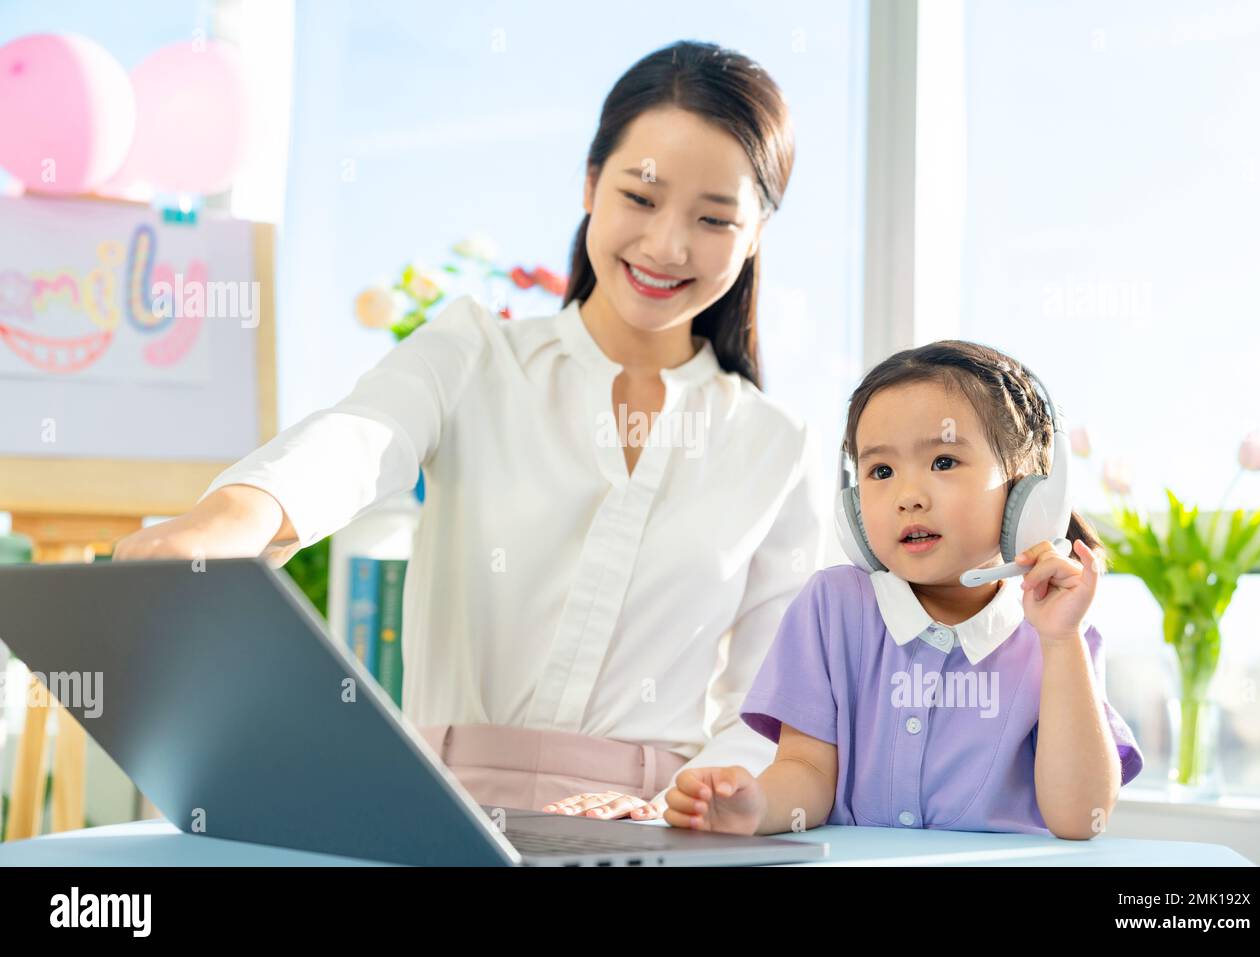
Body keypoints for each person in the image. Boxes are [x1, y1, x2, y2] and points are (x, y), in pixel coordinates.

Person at [114, 40, 826, 821]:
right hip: (441, 815)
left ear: (756, 234)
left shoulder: (773, 445)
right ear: (591, 184)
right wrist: (227, 520)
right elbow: (359, 438)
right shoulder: (475, 352)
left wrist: (692, 800)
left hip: (651, 831)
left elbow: (763, 709)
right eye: (642, 198)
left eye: (714, 219)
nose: (668, 246)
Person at [663, 341, 1144, 838]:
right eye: (881, 471)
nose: (908, 497)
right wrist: (756, 807)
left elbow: (1079, 817)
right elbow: (806, 773)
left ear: (1028, 493)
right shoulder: (833, 607)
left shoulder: (1059, 632)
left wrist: (1062, 643)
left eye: (943, 462)